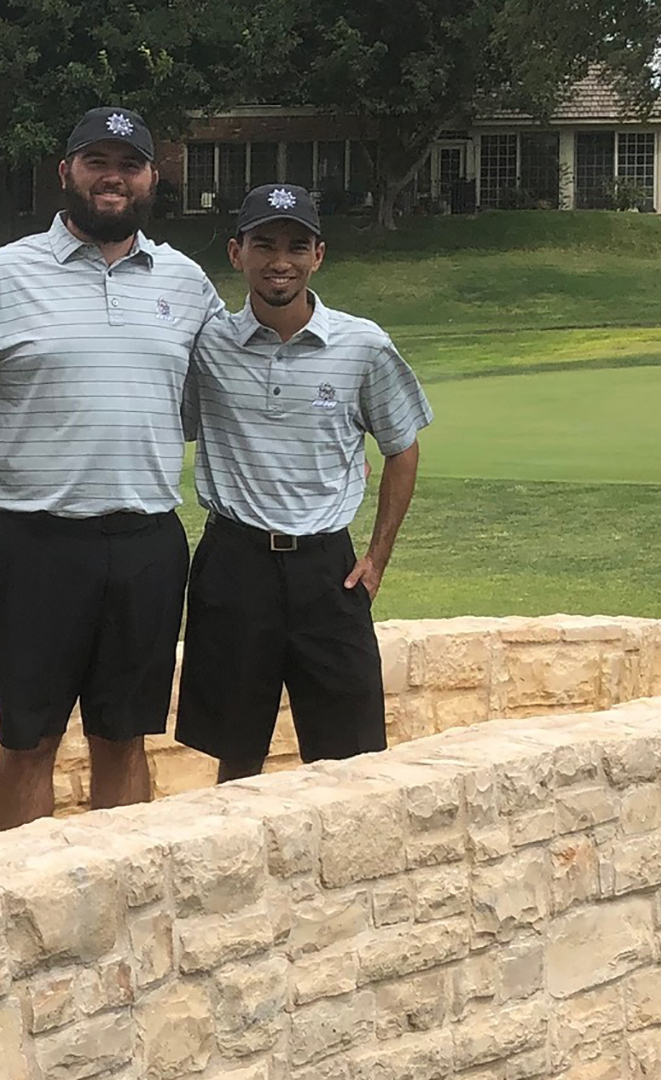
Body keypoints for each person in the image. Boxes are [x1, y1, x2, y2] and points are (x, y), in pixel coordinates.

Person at [0, 106, 225, 830]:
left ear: (151, 177)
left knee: (123, 735)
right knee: (28, 738)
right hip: (36, 544)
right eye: (96, 162)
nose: (112, 178)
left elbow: (214, 403)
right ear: (66, 171)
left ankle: (118, 907)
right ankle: (22, 900)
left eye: (128, 164)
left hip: (146, 544)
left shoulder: (189, 284)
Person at [176, 183, 433, 782]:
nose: (280, 261)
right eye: (264, 244)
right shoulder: (207, 345)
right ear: (237, 253)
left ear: (319, 255)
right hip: (233, 562)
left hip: (327, 570)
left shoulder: (362, 345)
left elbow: (402, 447)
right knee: (235, 754)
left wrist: (377, 557)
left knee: (350, 755)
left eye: (297, 245)